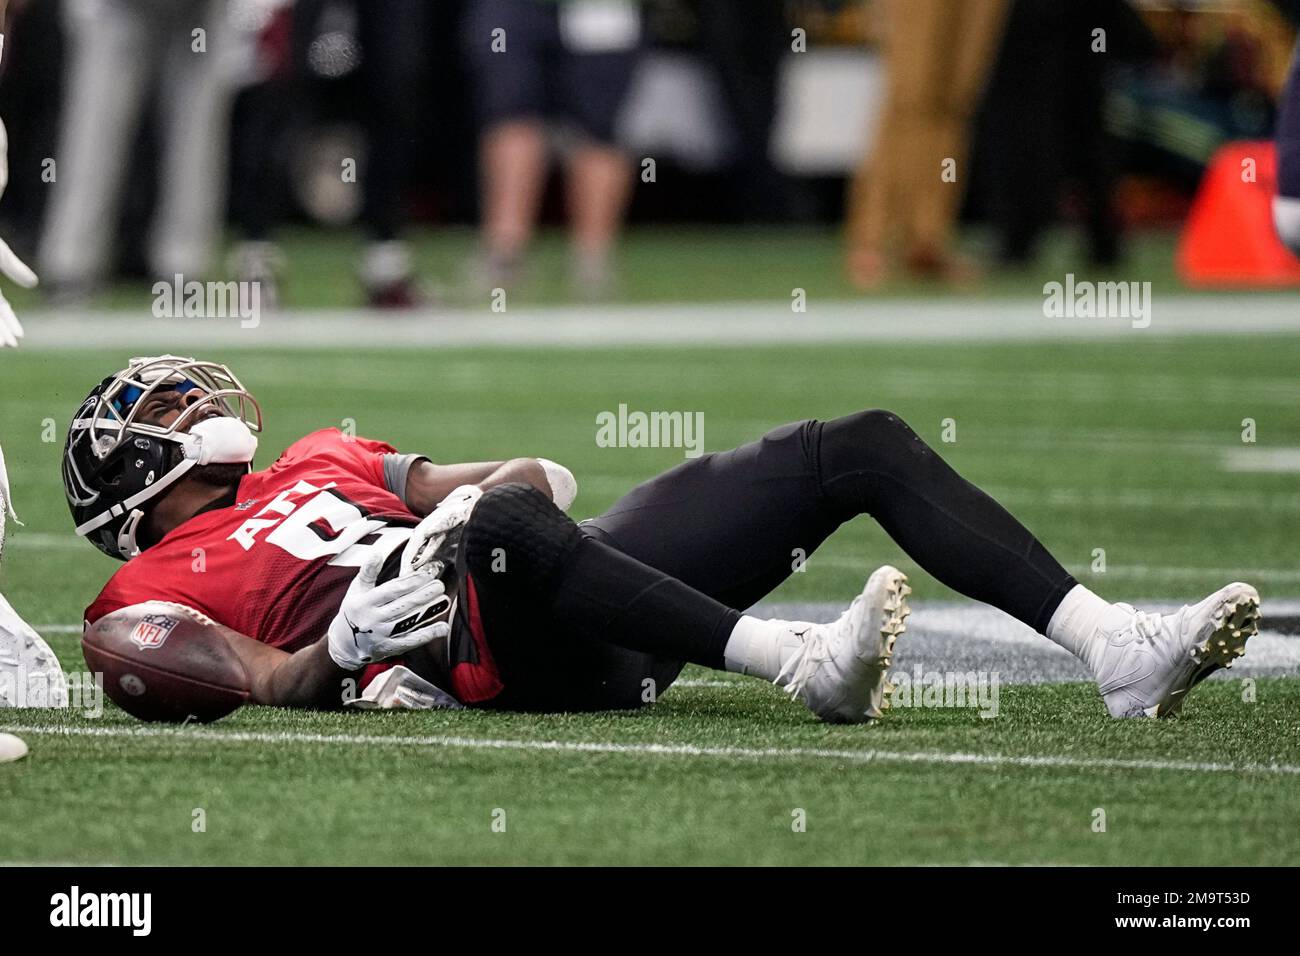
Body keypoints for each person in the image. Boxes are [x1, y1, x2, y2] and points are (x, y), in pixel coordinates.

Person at [67, 355, 1259, 722]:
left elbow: (518, 476)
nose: (185, 405)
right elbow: (264, 679)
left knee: (858, 443)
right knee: (502, 528)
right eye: (153, 411)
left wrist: (458, 510)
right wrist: (346, 641)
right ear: (127, 483)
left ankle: (1115, 646)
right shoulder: (145, 588)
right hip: (482, 652)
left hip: (557, 572)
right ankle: (803, 666)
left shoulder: (315, 454)